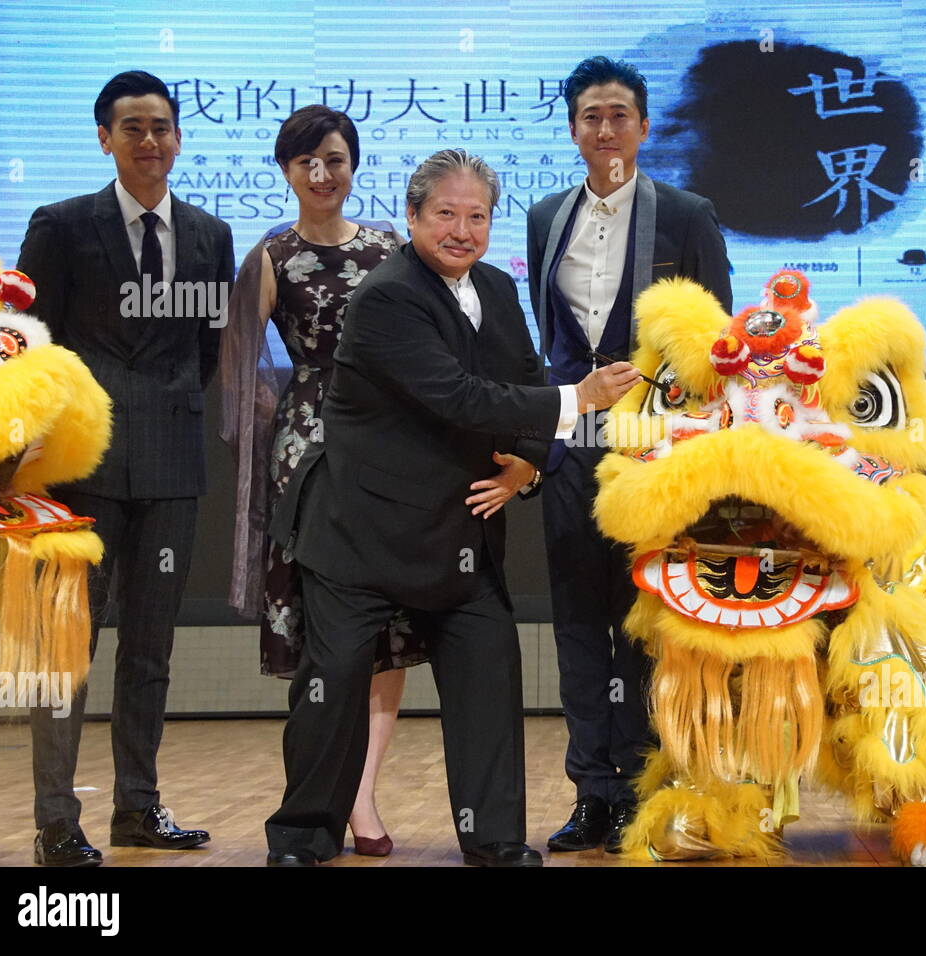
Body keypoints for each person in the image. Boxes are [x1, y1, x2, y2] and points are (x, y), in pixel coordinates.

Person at [263, 148, 642, 867]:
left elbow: (523, 383)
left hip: (460, 534)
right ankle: (303, 836)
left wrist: (529, 463)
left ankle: (494, 839)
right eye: (446, 214)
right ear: (412, 217)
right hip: (359, 529)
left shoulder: (497, 289)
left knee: (488, 673)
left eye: (477, 216)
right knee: (332, 680)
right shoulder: (386, 297)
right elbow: (457, 397)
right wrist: (580, 399)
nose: (462, 230)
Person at [16, 70, 234, 867]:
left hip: (173, 465)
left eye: (163, 127)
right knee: (68, 651)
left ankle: (137, 809)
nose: (151, 141)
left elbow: (205, 351)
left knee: (151, 650)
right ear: (104, 138)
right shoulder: (63, 225)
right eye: (133, 128)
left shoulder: (210, 235)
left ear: (179, 138)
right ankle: (55, 820)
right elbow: (28, 346)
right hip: (83, 470)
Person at [526, 56, 733, 853]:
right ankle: (592, 794)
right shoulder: (547, 217)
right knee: (578, 621)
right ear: (574, 130)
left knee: (649, 620)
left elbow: (717, 338)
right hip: (571, 442)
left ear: (643, 127)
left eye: (619, 114)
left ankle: (648, 784)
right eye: (590, 116)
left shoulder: (687, 213)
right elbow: (549, 341)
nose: (605, 129)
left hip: (658, 448)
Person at [220, 105, 419, 857]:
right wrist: (283, 439)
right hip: (310, 456)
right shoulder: (270, 256)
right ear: (286, 171)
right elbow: (240, 375)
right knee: (324, 635)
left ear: (353, 164)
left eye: (335, 159)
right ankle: (315, 805)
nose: (322, 174)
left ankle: (364, 797)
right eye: (307, 162)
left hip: (390, 449)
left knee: (388, 632)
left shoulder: (391, 248)